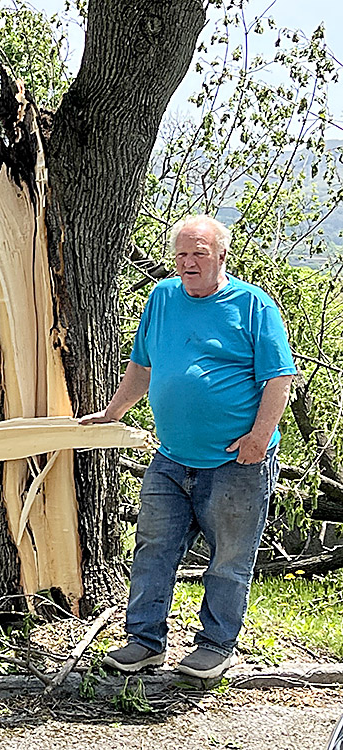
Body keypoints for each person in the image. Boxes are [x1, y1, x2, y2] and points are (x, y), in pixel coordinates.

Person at [81, 215, 296, 680]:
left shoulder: (253, 305)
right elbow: (143, 366)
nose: (188, 263)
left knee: (229, 558)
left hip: (236, 459)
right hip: (172, 454)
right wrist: (113, 412)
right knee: (153, 547)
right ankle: (144, 641)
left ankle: (216, 646)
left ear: (221, 255)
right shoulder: (161, 298)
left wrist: (258, 439)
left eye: (198, 253)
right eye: (181, 254)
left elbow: (280, 378)